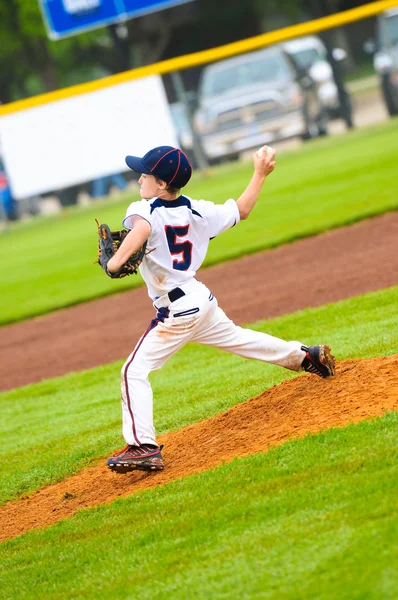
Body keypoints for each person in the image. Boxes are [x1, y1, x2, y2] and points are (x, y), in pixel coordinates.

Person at [105, 145, 335, 474]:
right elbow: (241, 210)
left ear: (161, 185)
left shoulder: (145, 209)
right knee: (239, 339)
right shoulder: (198, 210)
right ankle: (305, 356)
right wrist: (259, 173)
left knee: (132, 371)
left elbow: (140, 230)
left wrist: (114, 264)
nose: (140, 177)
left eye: (146, 173)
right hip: (200, 300)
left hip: (178, 309)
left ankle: (144, 447)